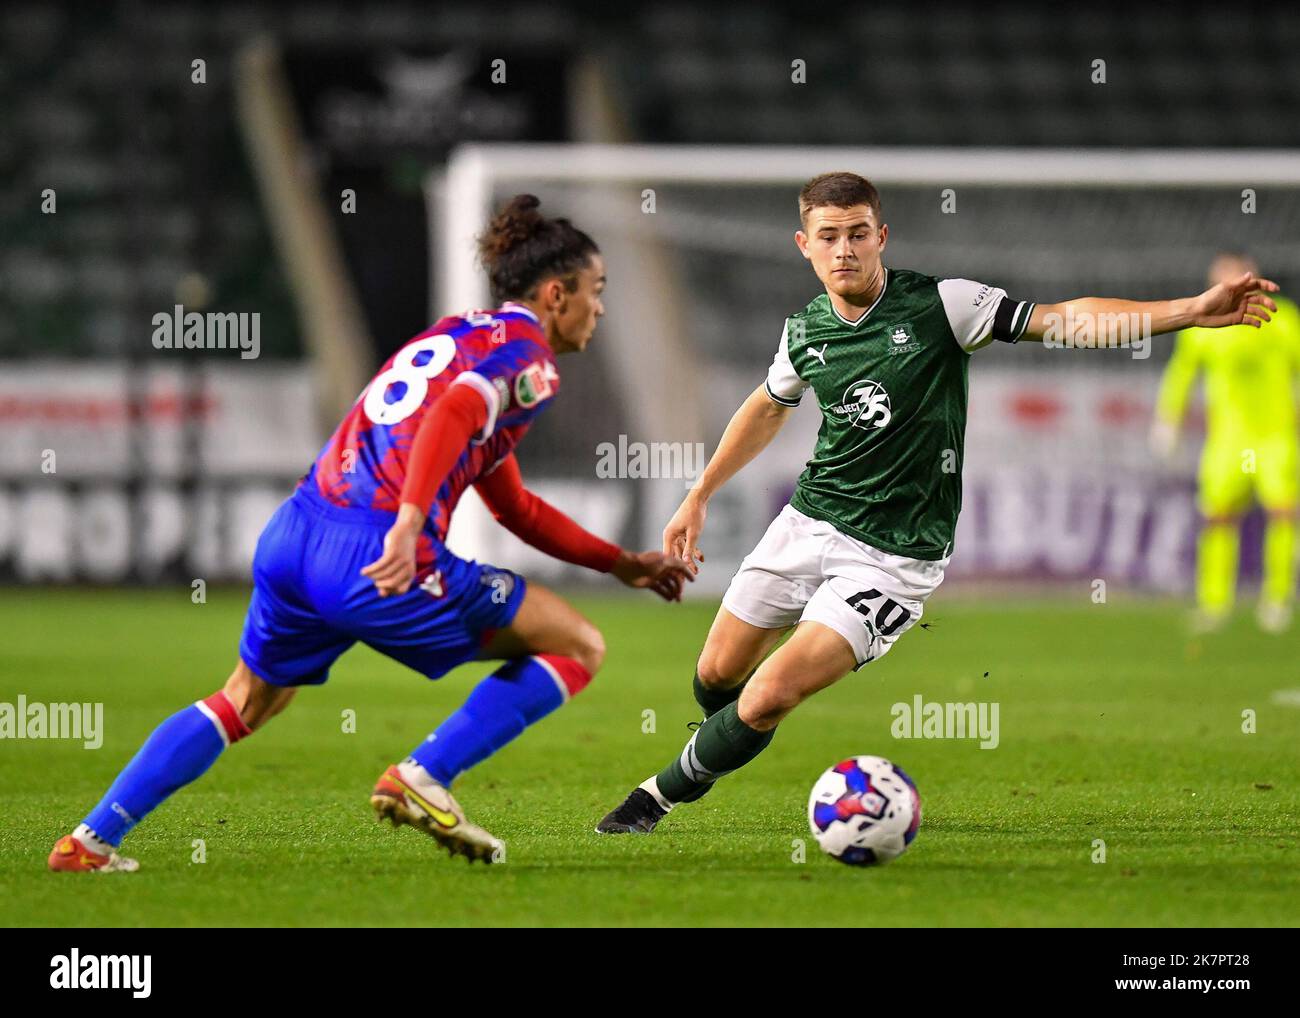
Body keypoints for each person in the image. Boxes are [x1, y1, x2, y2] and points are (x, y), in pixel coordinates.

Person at [596, 171, 1277, 834]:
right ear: (803, 245)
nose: (844, 250)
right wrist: (700, 493)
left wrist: (1187, 310)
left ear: (882, 236)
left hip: (893, 556)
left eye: (858, 233)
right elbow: (767, 408)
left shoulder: (944, 306)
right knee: (716, 678)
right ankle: (737, 730)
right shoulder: (803, 330)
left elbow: (1064, 320)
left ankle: (656, 797)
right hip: (808, 523)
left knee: (768, 693)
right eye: (828, 236)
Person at [49, 194, 691, 871]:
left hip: (295, 537)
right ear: (556, 294)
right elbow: (453, 413)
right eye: (597, 291)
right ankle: (425, 775)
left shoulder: (456, 334)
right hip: (379, 549)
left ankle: (89, 841)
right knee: (577, 644)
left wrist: (623, 563)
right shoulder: (531, 360)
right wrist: (410, 521)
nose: (601, 308)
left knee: (245, 699)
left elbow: (514, 507)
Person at [1151, 252, 1299, 633]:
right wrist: (1168, 421)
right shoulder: (1203, 324)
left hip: (1275, 436)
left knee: (1283, 515)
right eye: (1219, 277)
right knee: (1217, 519)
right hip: (1227, 441)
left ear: (1251, 274)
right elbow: (1181, 374)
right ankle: (1214, 603)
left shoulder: (1281, 318)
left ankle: (1277, 599)